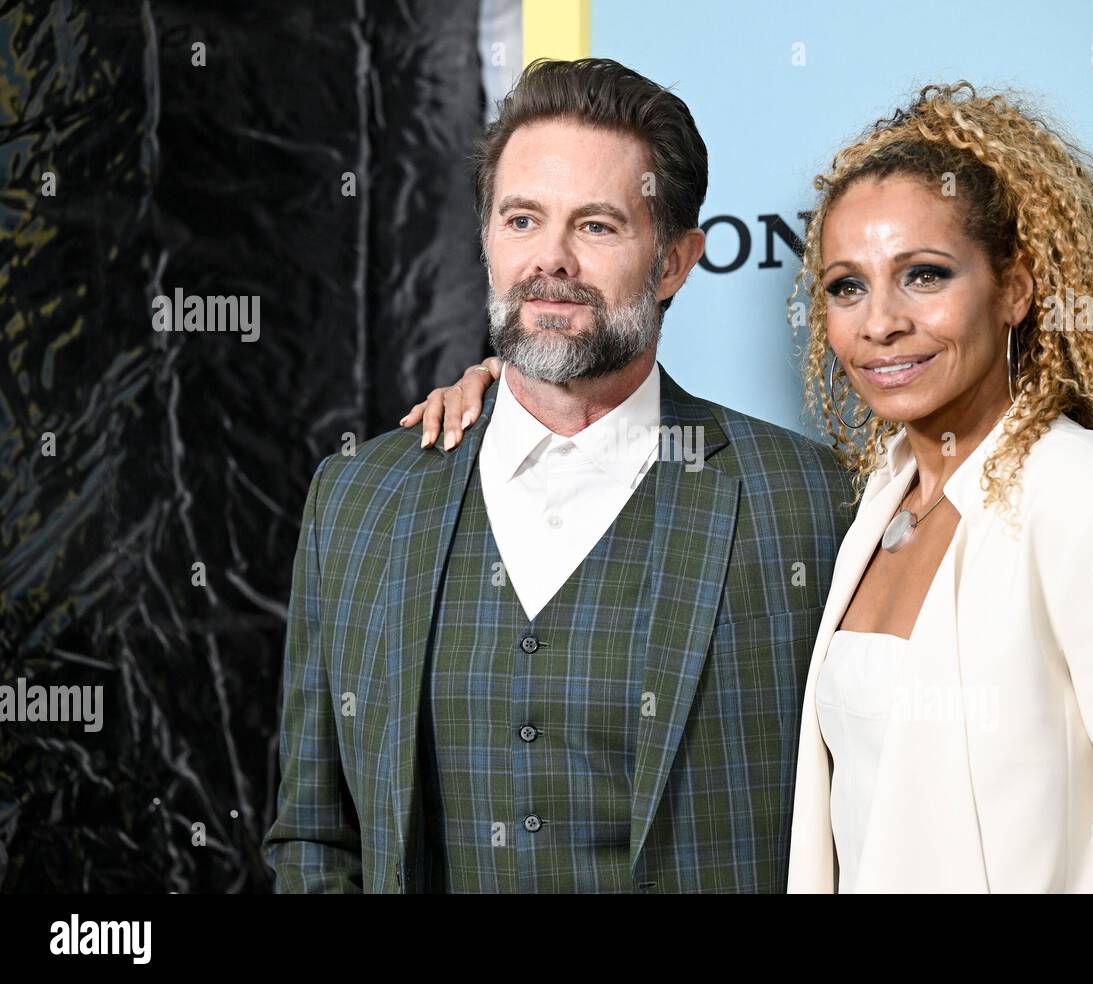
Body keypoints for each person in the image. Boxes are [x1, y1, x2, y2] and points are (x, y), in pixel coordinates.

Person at [418, 82, 1093, 893]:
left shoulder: (1092, 507)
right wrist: (517, 388)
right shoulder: (871, 503)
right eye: (847, 285)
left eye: (925, 274)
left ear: (1018, 287)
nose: (880, 320)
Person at [263, 57, 854, 894]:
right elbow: (315, 839)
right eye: (522, 220)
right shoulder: (360, 498)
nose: (553, 260)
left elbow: (875, 826)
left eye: (598, 226)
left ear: (676, 261)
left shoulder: (808, 502)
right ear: (486, 240)